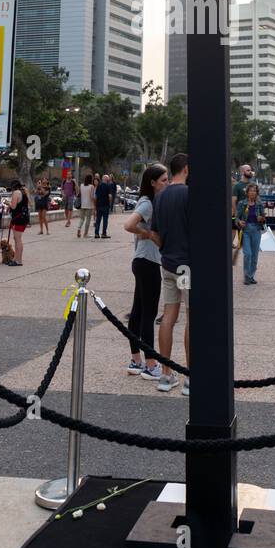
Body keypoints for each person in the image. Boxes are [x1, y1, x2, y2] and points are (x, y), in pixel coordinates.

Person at [123, 163, 168, 379]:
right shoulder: (148, 203)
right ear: (152, 182)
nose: (167, 183)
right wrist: (149, 234)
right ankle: (151, 365)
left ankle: (136, 360)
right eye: (164, 180)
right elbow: (129, 224)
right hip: (147, 262)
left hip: (142, 262)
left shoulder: (151, 202)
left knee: (139, 312)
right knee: (147, 314)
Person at [153, 152, 190, 393]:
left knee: (168, 318)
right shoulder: (191, 194)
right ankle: (191, 376)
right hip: (189, 264)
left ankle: (165, 374)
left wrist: (166, 247)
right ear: (186, 169)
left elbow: (155, 233)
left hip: (167, 264)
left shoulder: (160, 197)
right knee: (193, 319)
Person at [236, 182, 266, 285]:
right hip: (246, 231)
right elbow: (236, 218)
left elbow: (264, 218)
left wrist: (261, 218)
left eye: (255, 191)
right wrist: (239, 222)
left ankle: (251, 276)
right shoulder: (242, 204)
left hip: (256, 230)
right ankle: (246, 276)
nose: (253, 192)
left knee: (254, 256)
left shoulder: (259, 204)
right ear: (247, 192)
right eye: (251, 190)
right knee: (247, 254)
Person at [6, 182, 30, 265]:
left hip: (18, 219)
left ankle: (18, 261)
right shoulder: (24, 192)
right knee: (17, 239)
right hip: (23, 218)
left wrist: (7, 203)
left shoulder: (16, 193)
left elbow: (13, 206)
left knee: (18, 239)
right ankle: (16, 258)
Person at [94, 174, 114, 239]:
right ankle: (104, 234)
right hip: (105, 205)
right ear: (107, 180)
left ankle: (96, 234)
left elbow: (96, 196)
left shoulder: (98, 186)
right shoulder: (108, 186)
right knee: (105, 220)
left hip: (99, 205)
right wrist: (109, 203)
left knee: (98, 220)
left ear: (102, 179)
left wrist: (95, 205)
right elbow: (110, 196)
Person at [77, 172, 95, 238]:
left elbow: (79, 194)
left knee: (81, 218)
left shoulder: (81, 185)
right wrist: (94, 203)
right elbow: (91, 197)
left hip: (82, 204)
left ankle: (79, 229)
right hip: (89, 205)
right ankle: (85, 234)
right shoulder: (91, 186)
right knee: (88, 219)